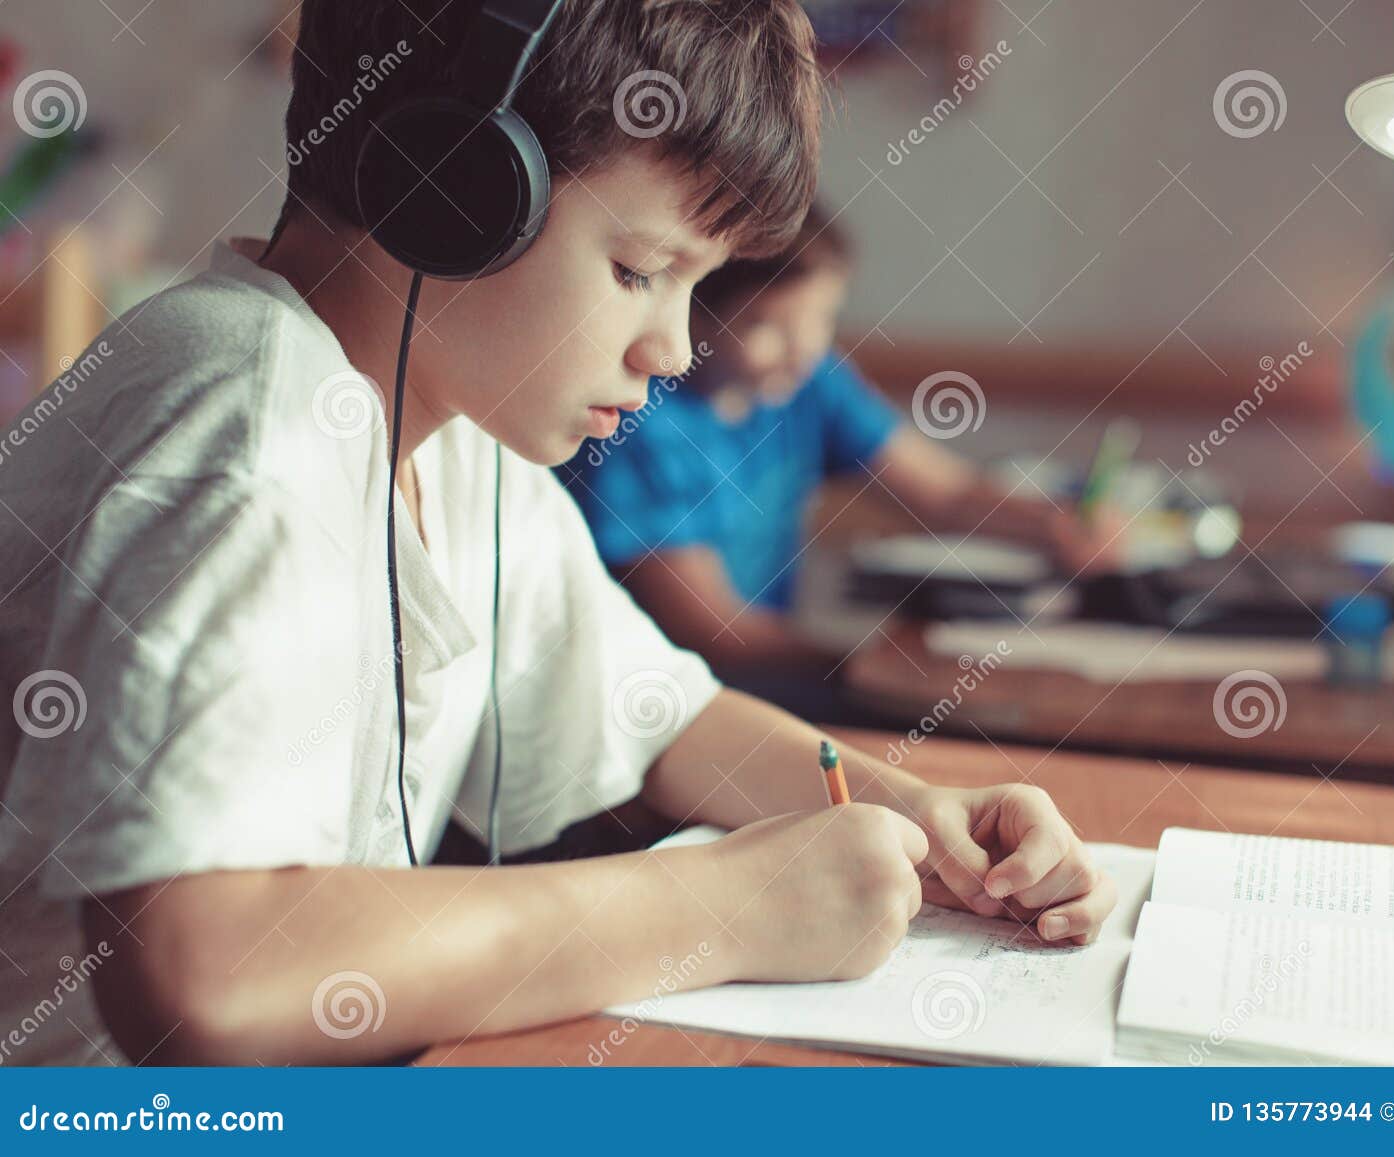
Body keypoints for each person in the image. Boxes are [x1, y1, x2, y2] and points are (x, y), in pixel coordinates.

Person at [0, 0, 1115, 1066]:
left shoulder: (460, 440)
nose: (673, 349)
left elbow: (661, 718)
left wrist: (922, 820)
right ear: (457, 187)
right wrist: (721, 906)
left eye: (696, 285)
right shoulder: (247, 419)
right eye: (638, 270)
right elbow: (208, 974)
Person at [563, 208, 1124, 689]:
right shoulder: (641, 430)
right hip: (677, 696)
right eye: (767, 326)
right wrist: (877, 670)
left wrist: (1054, 527)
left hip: (770, 680)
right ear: (693, 310)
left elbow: (945, 493)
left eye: (821, 320)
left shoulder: (810, 382)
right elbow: (714, 632)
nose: (803, 349)